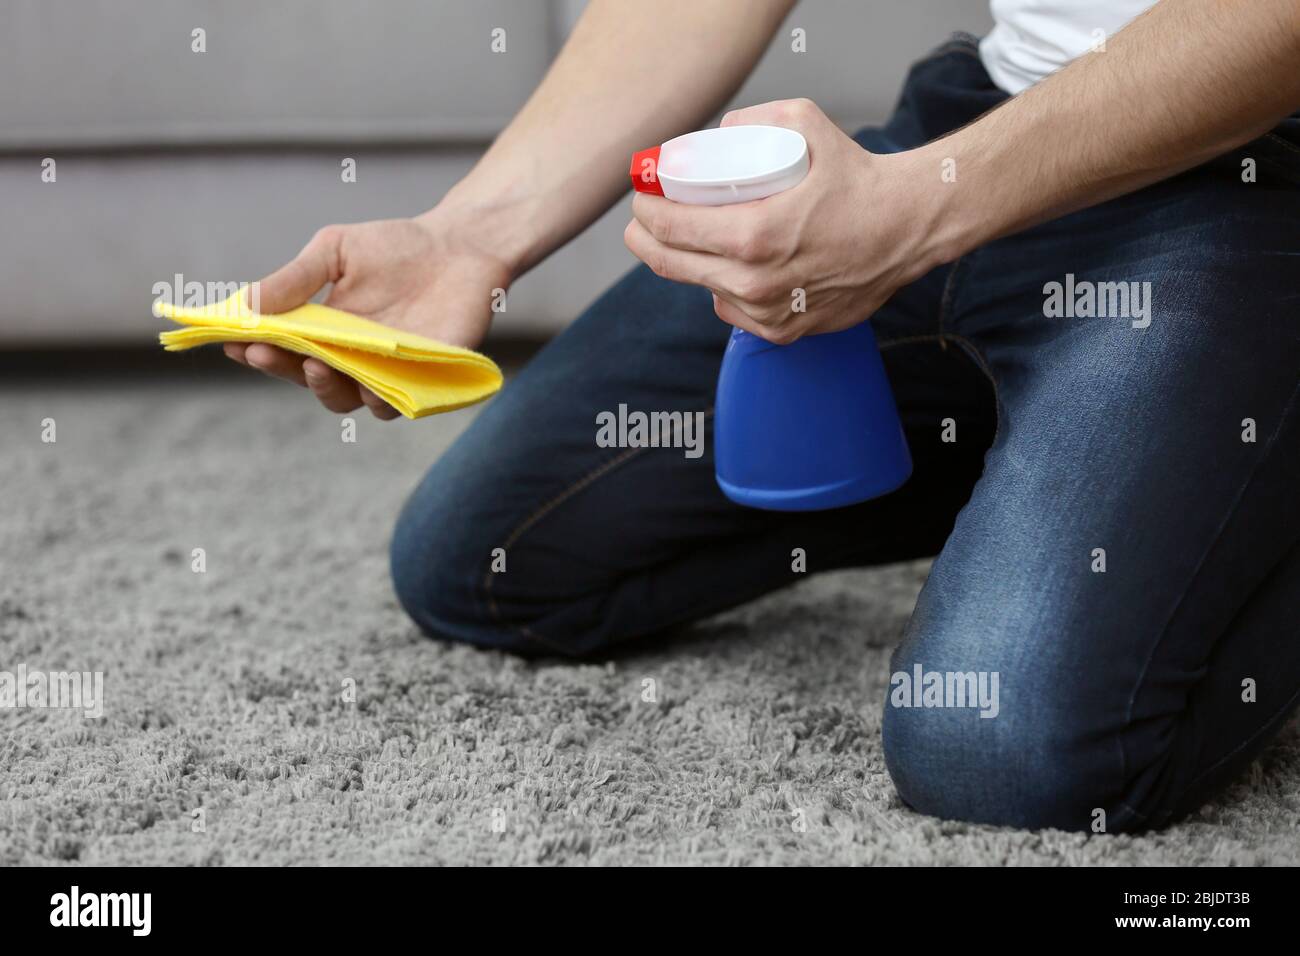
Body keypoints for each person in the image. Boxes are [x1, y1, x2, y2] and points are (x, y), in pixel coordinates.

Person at [222, 0, 1300, 832]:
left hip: (1257, 171)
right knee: (484, 559)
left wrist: (917, 214)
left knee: (997, 747)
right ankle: (1103, 446)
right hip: (999, 116)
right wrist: (468, 237)